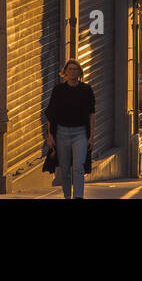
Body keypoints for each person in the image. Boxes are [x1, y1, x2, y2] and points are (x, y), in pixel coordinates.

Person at [44, 59, 96, 199]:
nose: (72, 72)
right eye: (70, 69)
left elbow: (92, 114)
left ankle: (78, 196)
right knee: (65, 169)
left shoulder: (86, 90)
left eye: (75, 69)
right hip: (62, 133)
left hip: (80, 133)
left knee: (78, 167)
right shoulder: (59, 90)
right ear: (65, 72)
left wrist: (91, 136)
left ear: (79, 72)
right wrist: (50, 135)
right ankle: (67, 196)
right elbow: (51, 114)